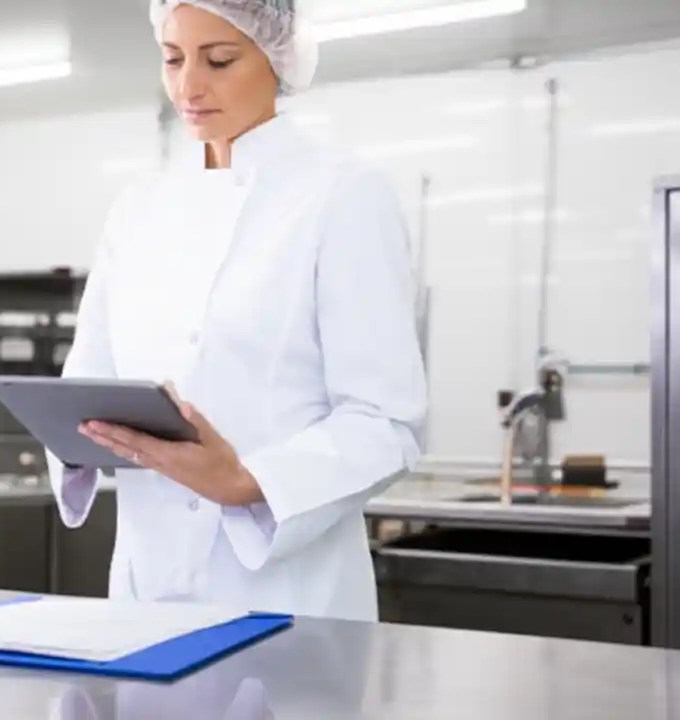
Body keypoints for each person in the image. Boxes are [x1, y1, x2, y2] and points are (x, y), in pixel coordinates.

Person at [48, 0, 427, 620]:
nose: (189, 86)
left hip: (289, 595)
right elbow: (88, 378)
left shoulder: (342, 196)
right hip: (148, 589)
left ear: (277, 60)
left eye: (219, 60)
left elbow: (388, 421)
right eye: (173, 59)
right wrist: (73, 435)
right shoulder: (139, 208)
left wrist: (249, 481)